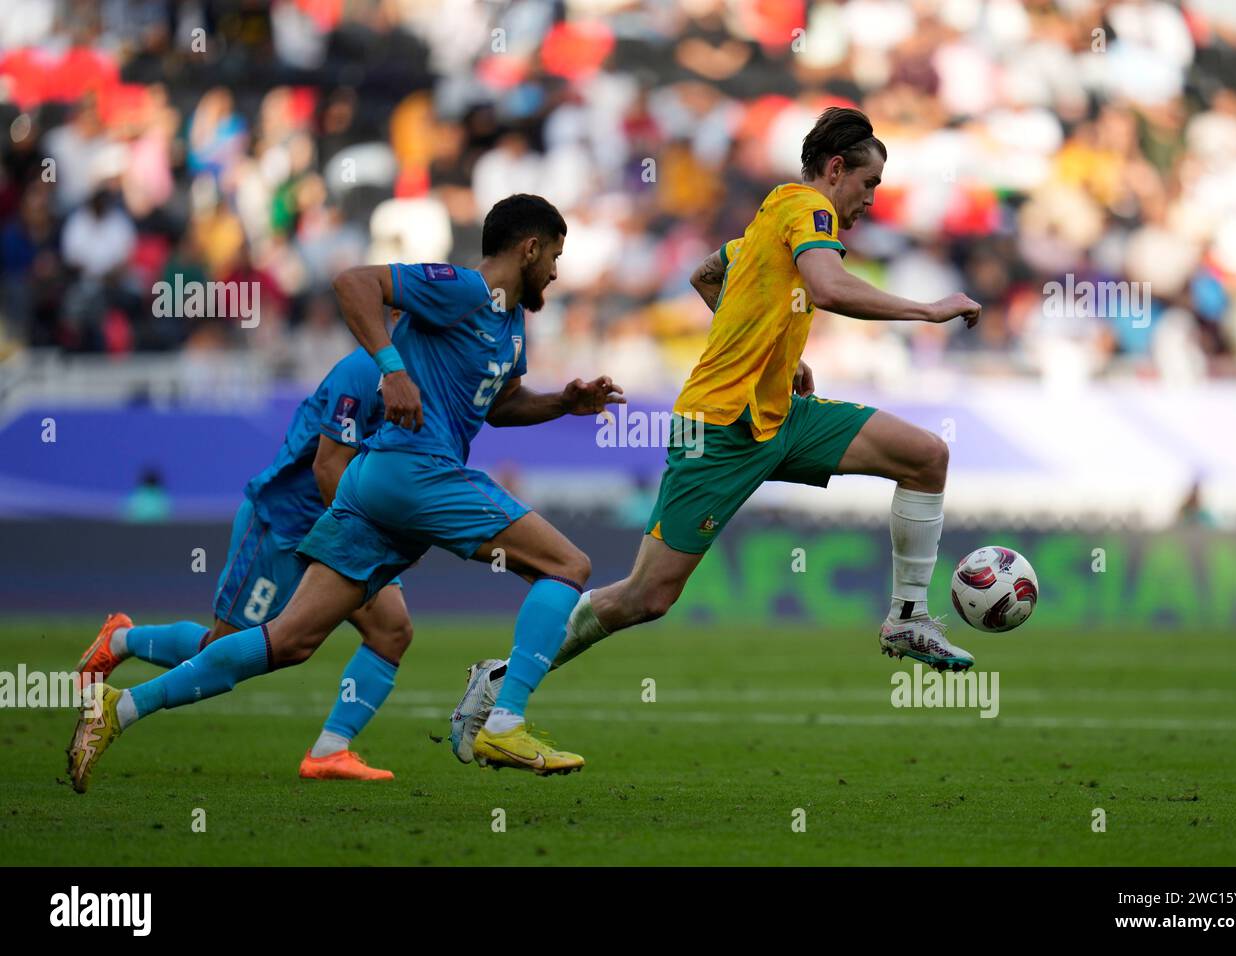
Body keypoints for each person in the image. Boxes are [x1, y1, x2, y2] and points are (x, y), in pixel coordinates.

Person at [449, 109, 984, 763]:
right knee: (646, 597)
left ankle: (907, 619)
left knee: (926, 455)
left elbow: (709, 273)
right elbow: (827, 286)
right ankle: (503, 680)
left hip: (782, 415)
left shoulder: (770, 223)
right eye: (868, 184)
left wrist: (773, 348)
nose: (871, 200)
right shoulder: (805, 207)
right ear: (836, 170)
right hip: (718, 429)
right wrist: (927, 310)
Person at [67, 194, 623, 792]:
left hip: (378, 487)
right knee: (568, 565)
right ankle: (502, 714)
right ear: (530, 247)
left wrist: (563, 404)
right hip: (416, 471)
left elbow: (501, 405)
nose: (558, 273)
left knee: (289, 641)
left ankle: (120, 709)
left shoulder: (510, 324)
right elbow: (354, 281)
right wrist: (391, 367)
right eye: (556, 256)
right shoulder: (462, 289)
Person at [78, 342, 412, 780]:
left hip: (345, 528)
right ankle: (124, 640)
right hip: (285, 523)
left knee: (391, 629)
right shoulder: (362, 370)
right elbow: (327, 468)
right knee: (224, 649)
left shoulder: (427, 371)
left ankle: (330, 749)